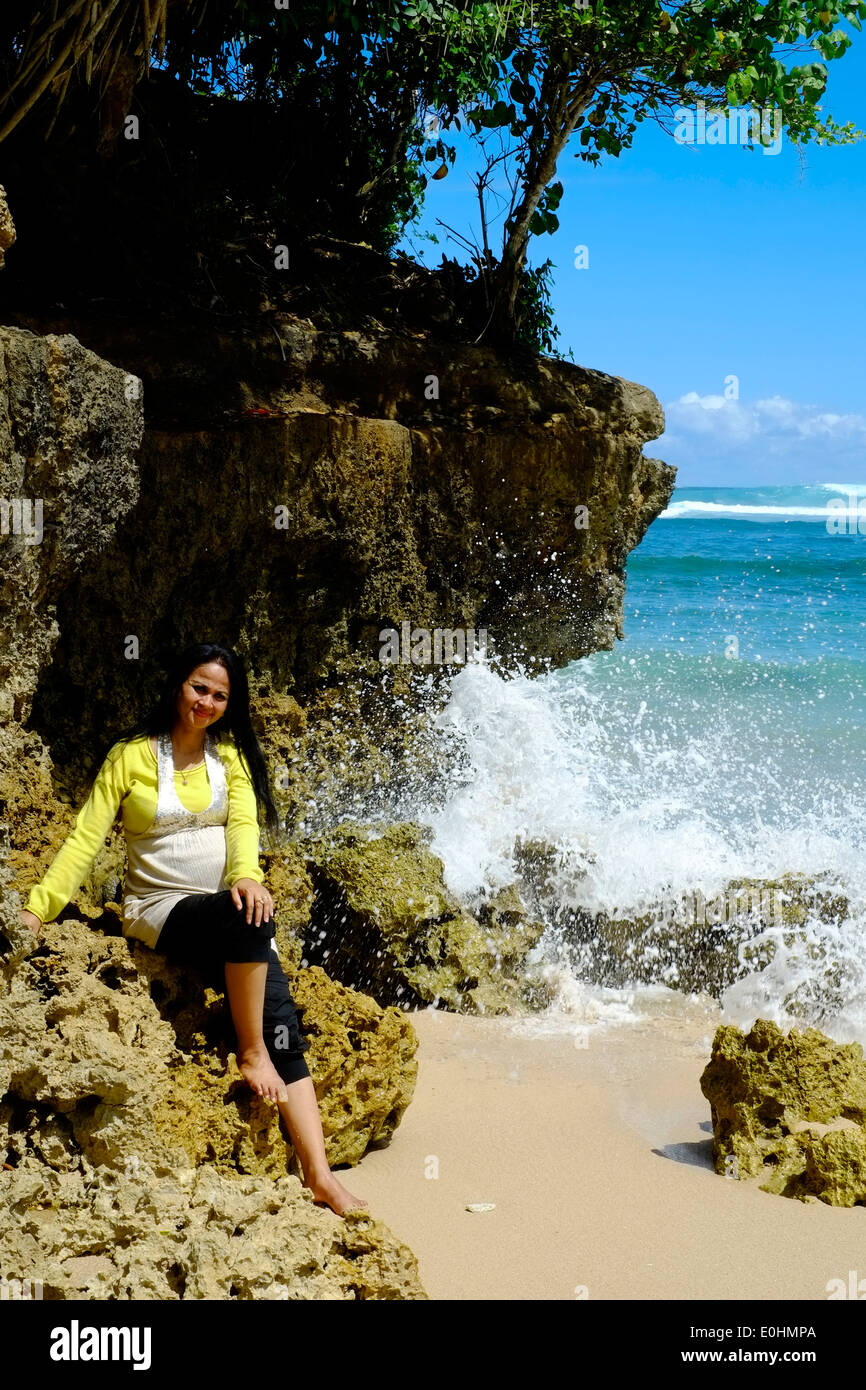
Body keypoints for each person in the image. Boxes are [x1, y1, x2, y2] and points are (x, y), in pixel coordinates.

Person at [18, 640, 366, 1218]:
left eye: (220, 695)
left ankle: (320, 1176)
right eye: (198, 687)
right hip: (161, 910)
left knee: (286, 1027)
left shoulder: (228, 759)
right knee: (249, 940)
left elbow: (243, 833)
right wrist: (38, 908)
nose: (206, 702)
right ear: (178, 685)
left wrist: (248, 877)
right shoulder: (130, 756)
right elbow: (84, 840)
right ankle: (250, 1053)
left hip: (229, 919)